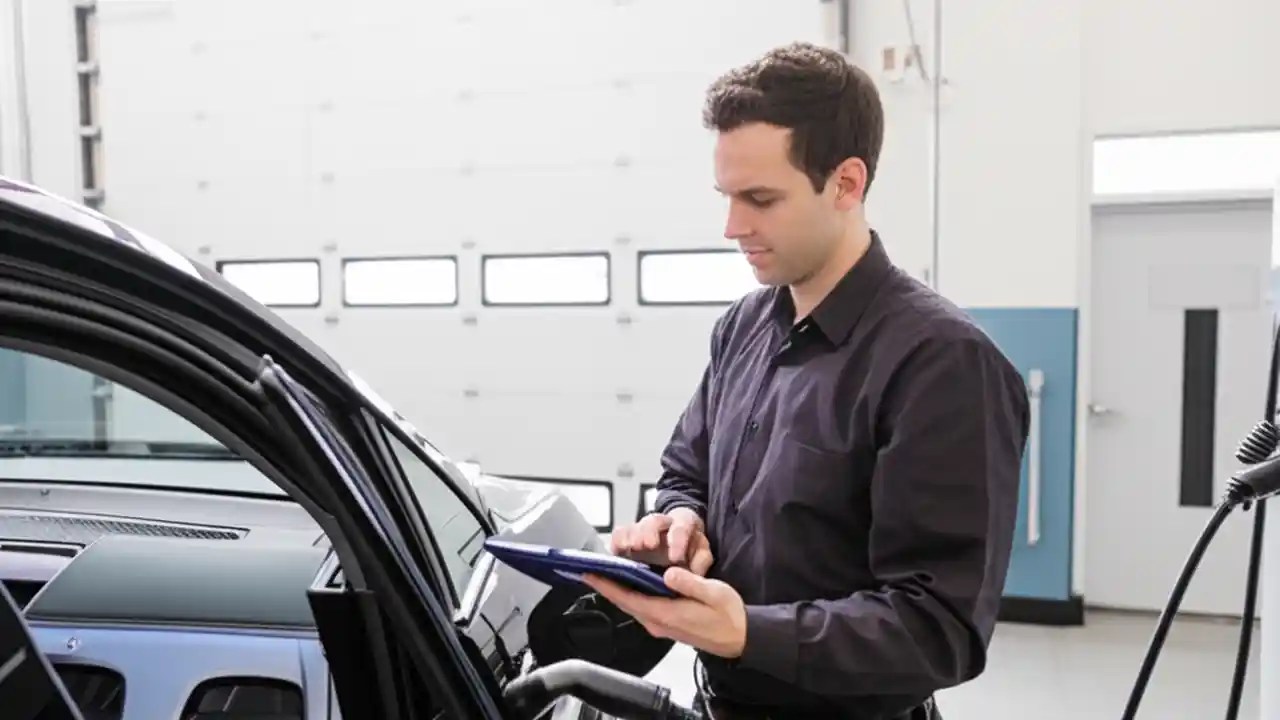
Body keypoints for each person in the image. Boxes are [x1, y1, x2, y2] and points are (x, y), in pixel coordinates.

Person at [581, 42, 1030, 719]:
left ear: (847, 184)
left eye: (761, 199)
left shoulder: (943, 365)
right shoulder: (741, 329)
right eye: (728, 197)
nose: (733, 227)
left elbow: (940, 628)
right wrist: (681, 519)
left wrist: (747, 633)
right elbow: (687, 468)